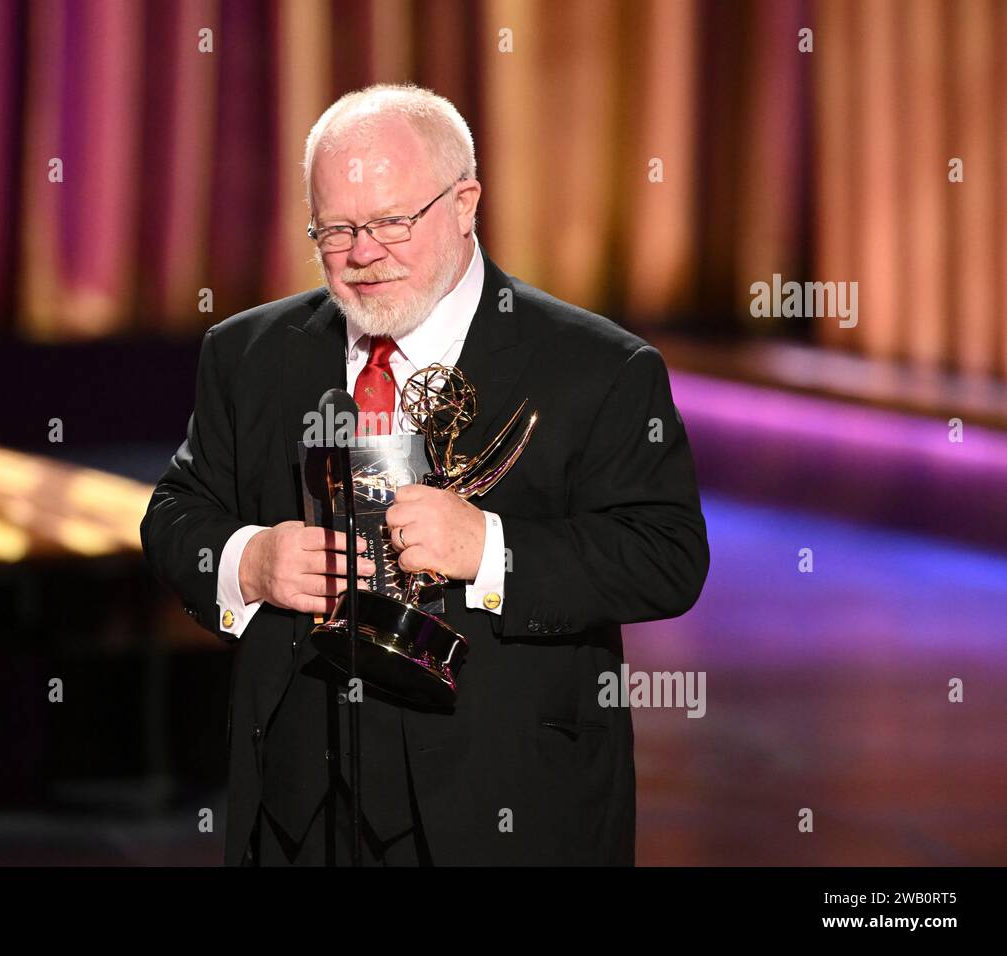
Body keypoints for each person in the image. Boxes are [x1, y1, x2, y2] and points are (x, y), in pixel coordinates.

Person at [140, 83, 709, 865]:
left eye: (390, 222)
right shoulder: (249, 354)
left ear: (465, 201)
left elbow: (667, 556)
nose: (362, 253)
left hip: (503, 799)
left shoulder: (597, 368)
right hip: (302, 800)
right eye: (335, 228)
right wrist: (251, 561)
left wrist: (489, 549)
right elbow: (176, 513)